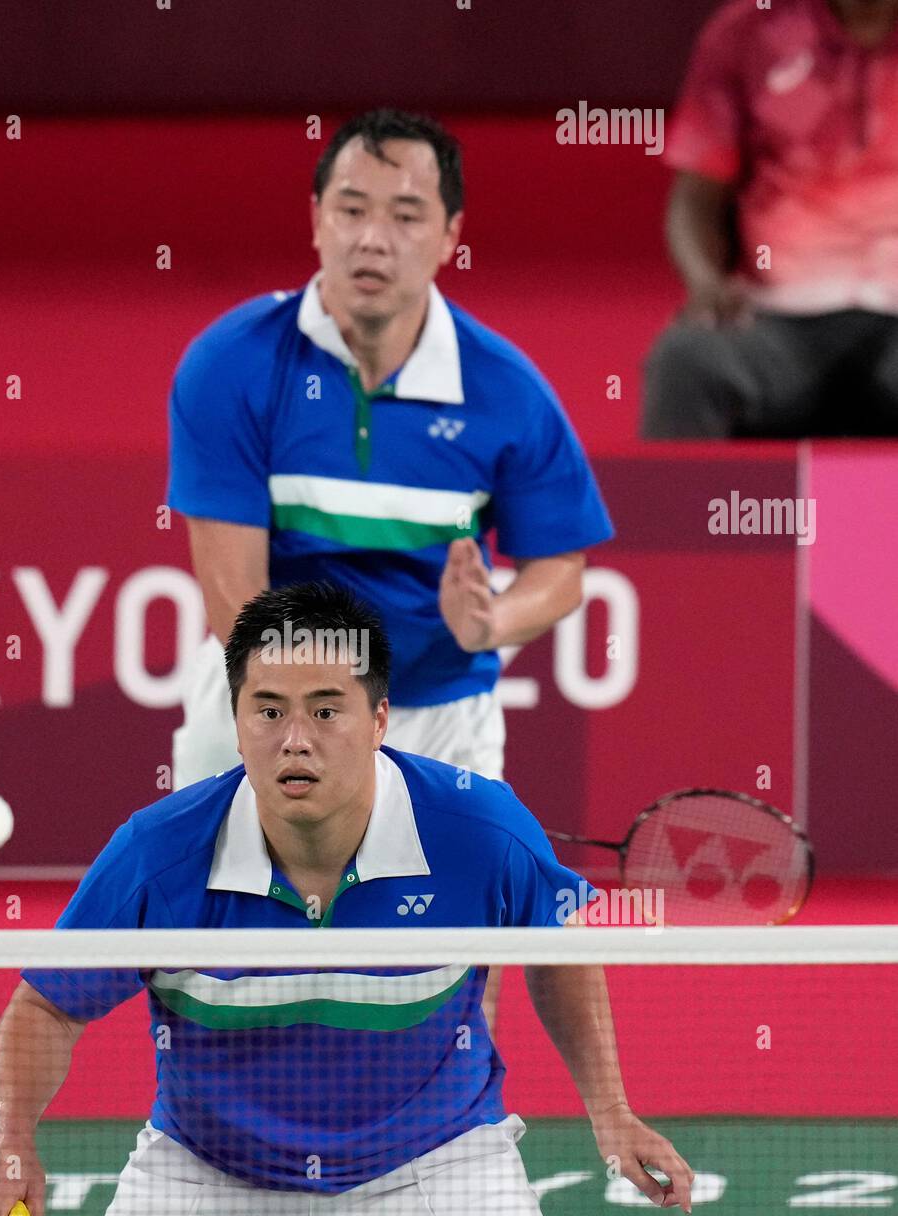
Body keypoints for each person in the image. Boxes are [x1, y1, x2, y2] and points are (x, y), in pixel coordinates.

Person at [0, 583, 693, 1216]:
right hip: (208, 1178)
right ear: (235, 719)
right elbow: (46, 1009)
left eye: (325, 710)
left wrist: (611, 1112)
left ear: (380, 718)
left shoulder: (479, 828)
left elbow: (559, 944)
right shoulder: (157, 854)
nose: (296, 738)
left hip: (435, 1168)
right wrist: (10, 1136)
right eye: (268, 711)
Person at [167, 107, 613, 790]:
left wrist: (492, 619)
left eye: (406, 216)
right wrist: (317, 715)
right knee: (214, 895)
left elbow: (561, 572)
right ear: (317, 219)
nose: (373, 240)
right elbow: (234, 596)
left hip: (438, 712)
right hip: (267, 691)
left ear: (449, 236)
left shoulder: (506, 391)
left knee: (449, 900)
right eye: (351, 210)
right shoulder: (232, 365)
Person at [643, 0, 898, 438]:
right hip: (775, 321)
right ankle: (679, 509)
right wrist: (706, 284)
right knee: (686, 358)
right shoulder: (747, 31)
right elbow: (694, 201)